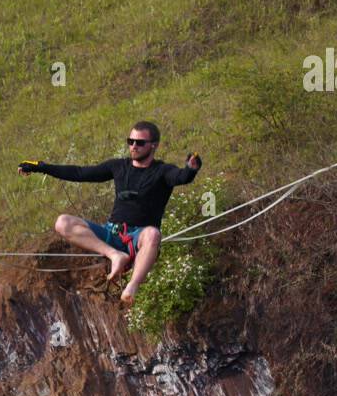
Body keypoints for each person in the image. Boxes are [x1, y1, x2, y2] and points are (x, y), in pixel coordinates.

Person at [18, 121, 201, 305]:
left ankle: (132, 286)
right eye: (130, 141)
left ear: (154, 145)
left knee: (153, 234)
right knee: (62, 222)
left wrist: (191, 169)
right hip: (111, 233)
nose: (133, 146)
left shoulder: (163, 171)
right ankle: (115, 255)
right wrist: (41, 167)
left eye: (139, 143)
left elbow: (181, 177)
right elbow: (79, 173)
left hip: (139, 239)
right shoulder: (118, 166)